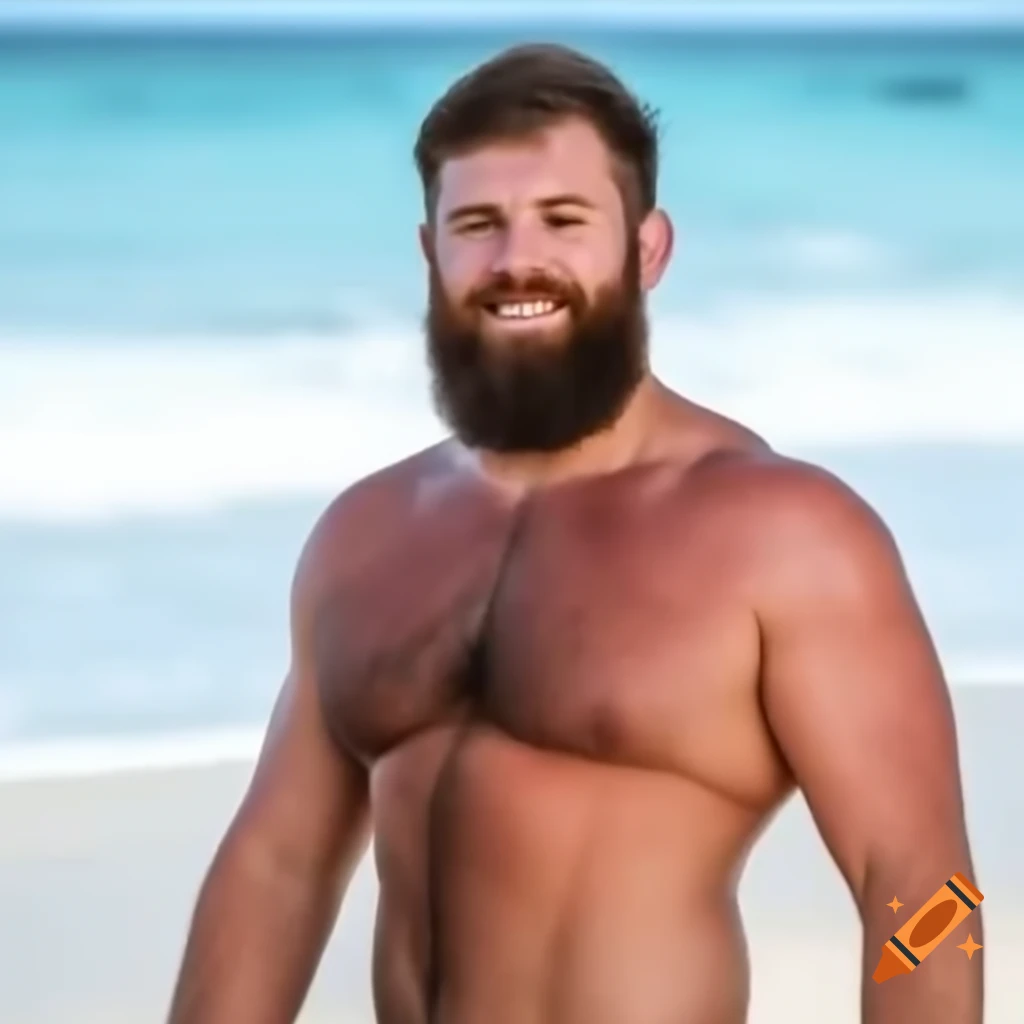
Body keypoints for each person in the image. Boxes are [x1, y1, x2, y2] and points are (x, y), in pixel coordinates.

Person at [166, 43, 983, 1024]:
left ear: (648, 249)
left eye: (564, 219)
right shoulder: (365, 535)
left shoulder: (785, 536)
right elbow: (278, 867)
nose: (518, 259)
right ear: (430, 251)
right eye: (478, 224)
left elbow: (925, 887)